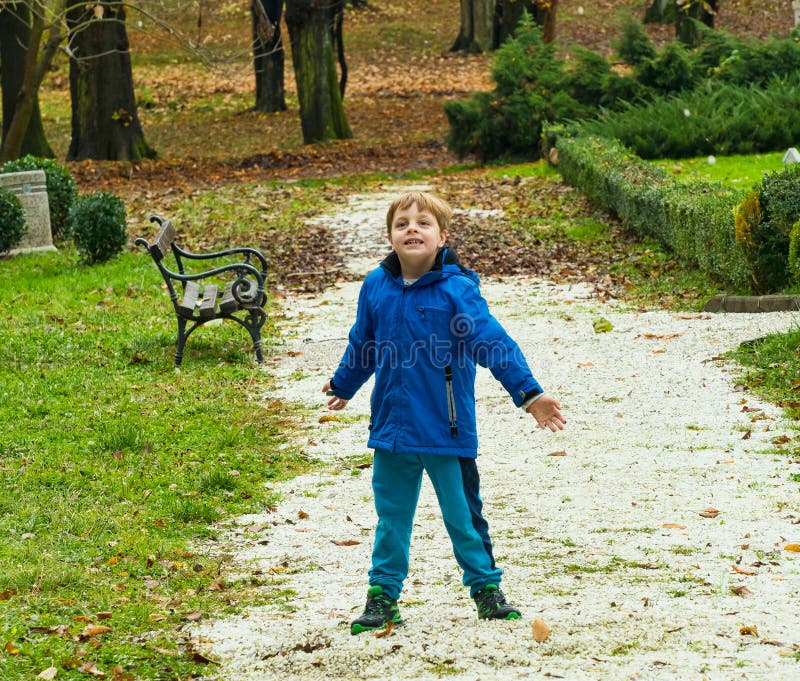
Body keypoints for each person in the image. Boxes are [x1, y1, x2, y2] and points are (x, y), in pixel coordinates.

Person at [322, 191, 565, 635]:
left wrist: (530, 395)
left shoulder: (458, 290)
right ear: (391, 237)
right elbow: (364, 341)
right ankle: (382, 596)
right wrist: (344, 384)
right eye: (402, 224)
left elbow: (493, 342)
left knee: (463, 517)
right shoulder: (376, 286)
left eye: (423, 223)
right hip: (391, 431)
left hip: (446, 432)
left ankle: (486, 589)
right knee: (391, 519)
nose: (412, 229)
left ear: (442, 236)